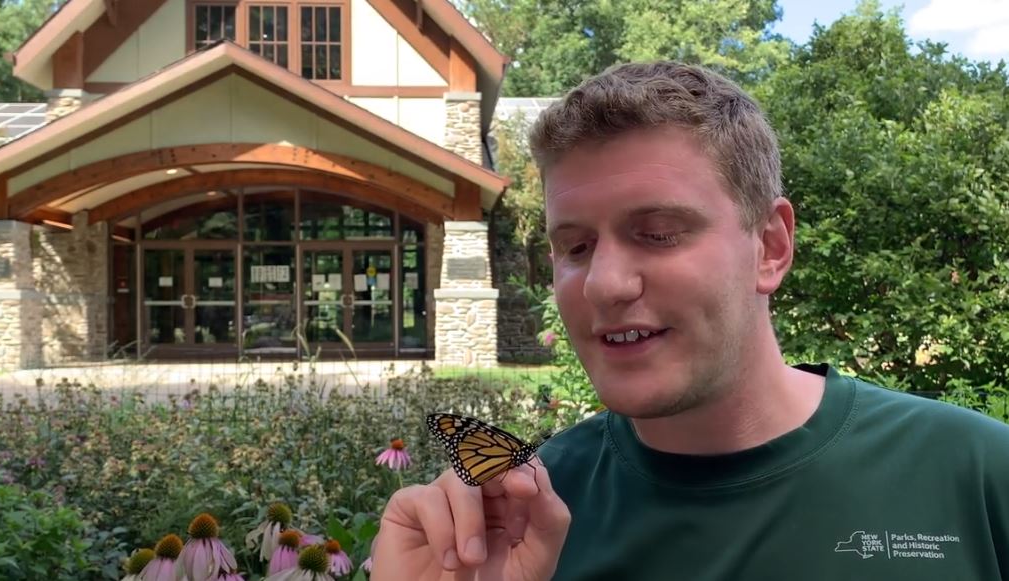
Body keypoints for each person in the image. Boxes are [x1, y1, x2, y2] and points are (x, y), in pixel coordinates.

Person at [369, 60, 1009, 580]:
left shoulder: (975, 476)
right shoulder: (525, 518)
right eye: (576, 247)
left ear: (770, 247)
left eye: (657, 233)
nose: (603, 285)